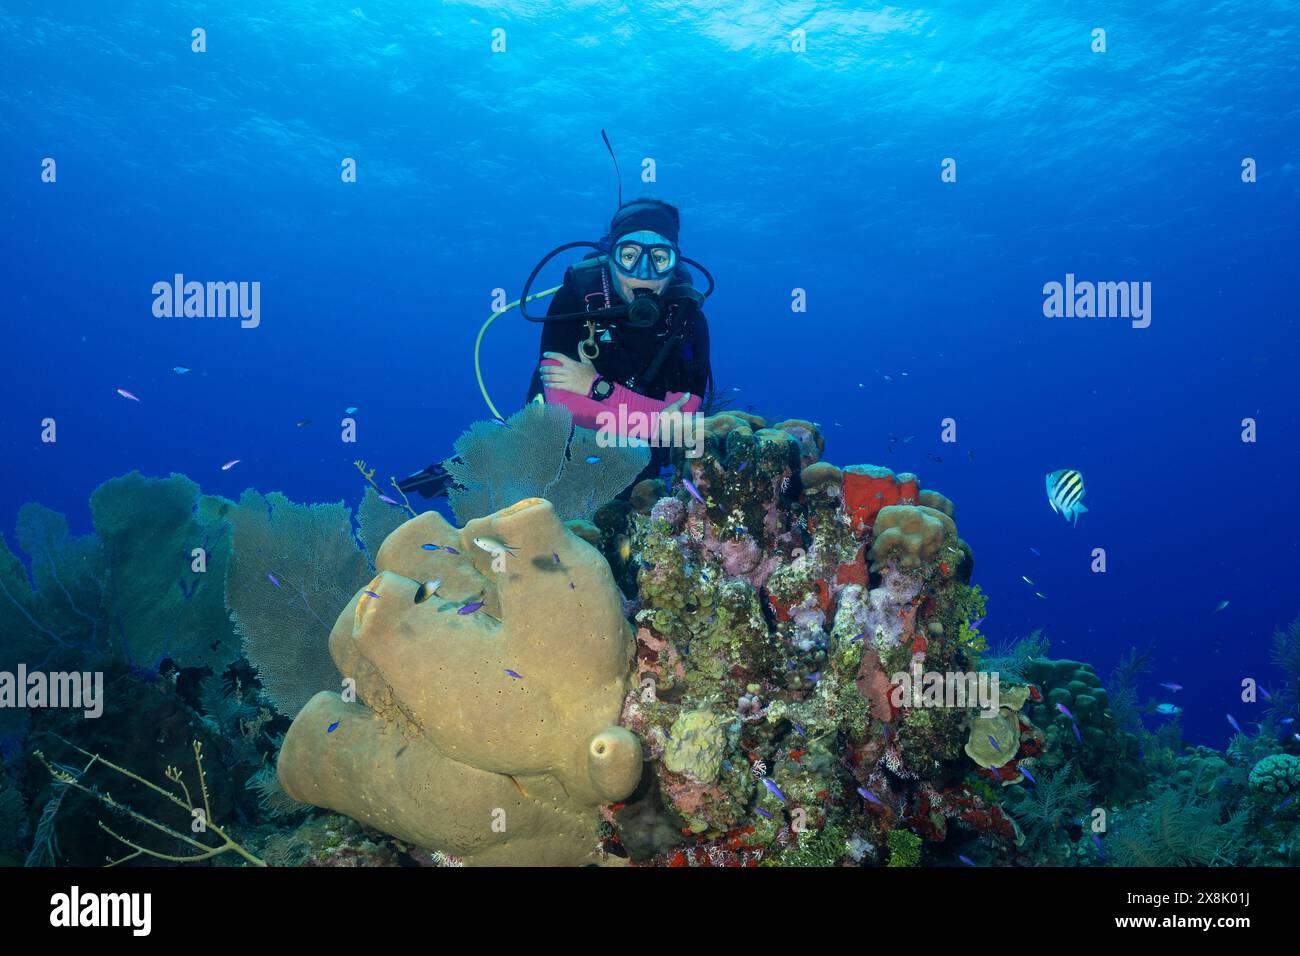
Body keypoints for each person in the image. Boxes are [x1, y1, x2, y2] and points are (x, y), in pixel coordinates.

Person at [528, 198, 712, 447]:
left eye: (659, 259)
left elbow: (685, 419)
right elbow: (561, 403)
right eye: (629, 256)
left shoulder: (687, 317)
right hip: (551, 447)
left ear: (674, 263)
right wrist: (657, 423)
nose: (643, 272)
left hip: (638, 464)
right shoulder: (574, 300)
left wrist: (596, 387)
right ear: (611, 256)